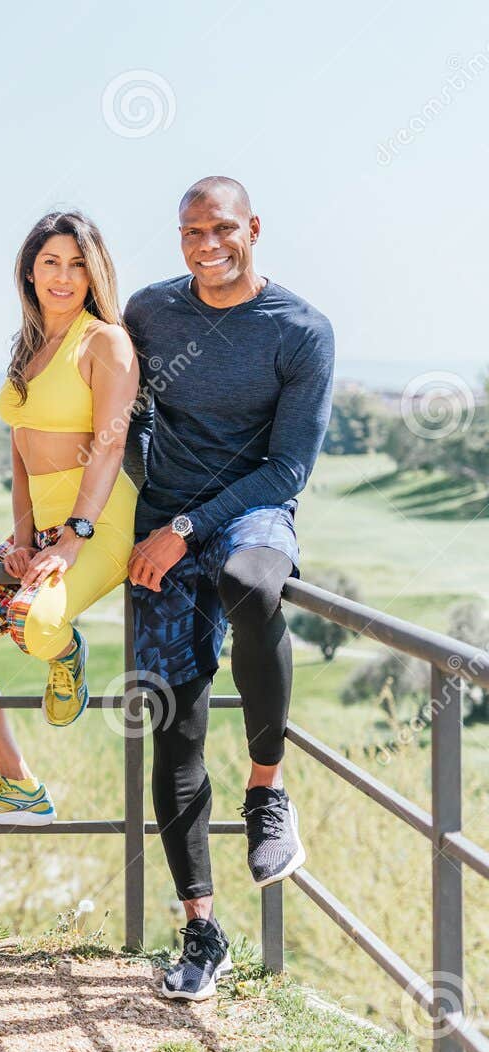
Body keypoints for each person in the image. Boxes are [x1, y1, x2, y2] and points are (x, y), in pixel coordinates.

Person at [124, 176, 334, 1001]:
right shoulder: (149, 312)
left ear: (253, 227)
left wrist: (187, 526)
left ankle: (265, 788)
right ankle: (200, 930)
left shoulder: (301, 330)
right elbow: (126, 412)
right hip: (164, 529)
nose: (205, 246)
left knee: (253, 583)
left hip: (251, 514)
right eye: (189, 233)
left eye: (220, 229)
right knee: (174, 724)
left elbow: (288, 467)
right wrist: (156, 504)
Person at [0, 212, 139, 823]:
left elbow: (109, 442)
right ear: (30, 271)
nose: (63, 276)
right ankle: (21, 787)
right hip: (45, 533)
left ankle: (65, 654)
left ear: (95, 272)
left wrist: (73, 538)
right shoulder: (28, 346)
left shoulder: (104, 341)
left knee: (33, 621)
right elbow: (21, 446)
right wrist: (24, 539)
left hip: (98, 524)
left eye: (78, 264)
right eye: (51, 262)